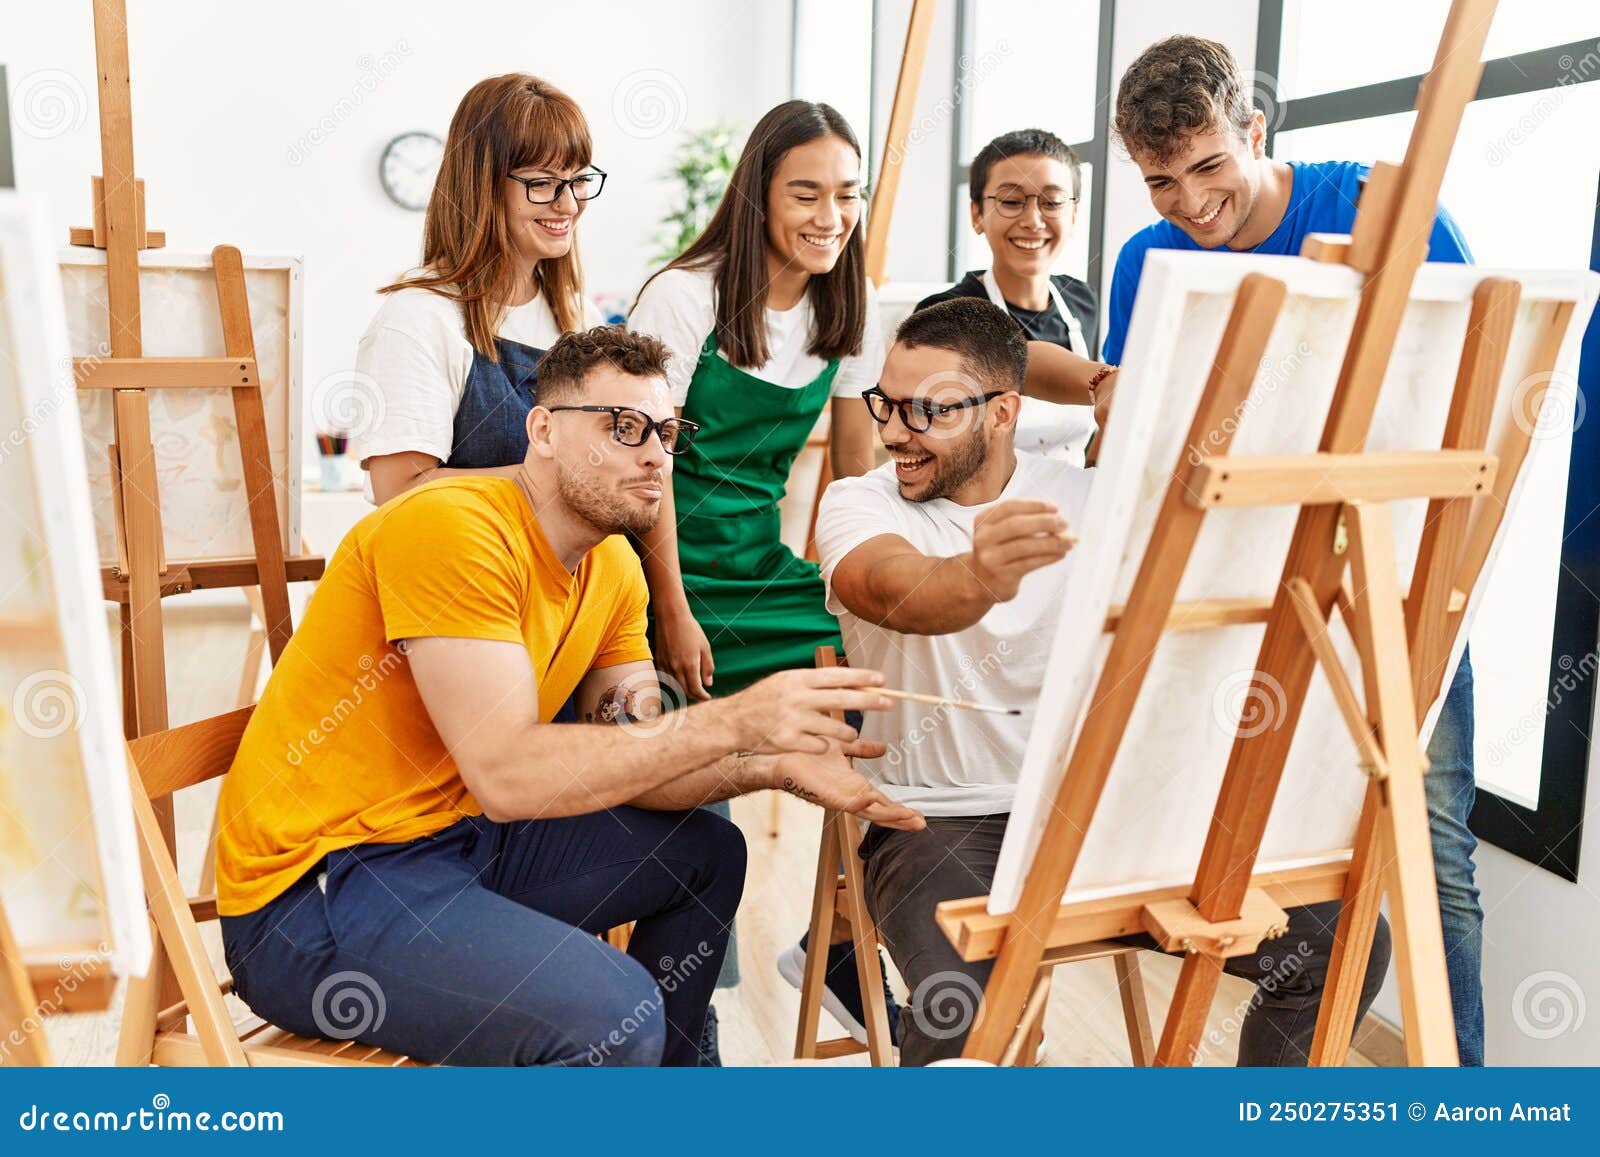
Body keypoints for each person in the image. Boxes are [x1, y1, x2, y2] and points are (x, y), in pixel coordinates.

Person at [215, 326, 922, 1068]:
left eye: (667, 432)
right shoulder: (452, 527)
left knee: (708, 851)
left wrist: (764, 763)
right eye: (625, 427)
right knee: (615, 1012)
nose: (655, 454)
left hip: (457, 841)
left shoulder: (611, 562)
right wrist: (737, 715)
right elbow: (509, 773)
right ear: (544, 429)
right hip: (320, 891)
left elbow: (642, 756)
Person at [815, 297, 1393, 1066]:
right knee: (963, 1017)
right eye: (888, 404)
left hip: (1100, 818)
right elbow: (889, 590)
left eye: (930, 410)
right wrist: (978, 575)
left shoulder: (1089, 497)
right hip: (938, 824)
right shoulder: (860, 501)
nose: (894, 431)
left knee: (1345, 938)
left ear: (1002, 412)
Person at [1095, 35, 1484, 1065]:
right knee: (1227, 846)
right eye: (1160, 182)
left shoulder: (1374, 208)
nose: (1190, 201)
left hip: (1393, 580)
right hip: (1227, 597)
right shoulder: (1148, 261)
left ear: (1255, 129)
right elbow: (1142, 445)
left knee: (1429, 854)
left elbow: (1457, 405)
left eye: (1210, 165)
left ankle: (1469, 1096)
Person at [628, 101, 895, 1043]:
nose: (831, 215)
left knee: (871, 697)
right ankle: (675, 999)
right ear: (758, 195)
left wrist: (848, 588)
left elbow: (854, 476)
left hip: (758, 563)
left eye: (848, 194)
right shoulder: (685, 294)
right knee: (675, 759)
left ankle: (834, 940)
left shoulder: (844, 304)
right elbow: (645, 464)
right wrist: (669, 606)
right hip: (654, 566)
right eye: (807, 193)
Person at [351, 73, 606, 505]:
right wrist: (562, 478)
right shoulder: (419, 319)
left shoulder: (581, 319)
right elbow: (399, 492)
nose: (568, 205)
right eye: (542, 183)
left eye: (578, 179)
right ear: (482, 186)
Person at [915, 128, 1099, 463]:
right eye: (1011, 202)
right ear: (977, 214)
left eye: (1052, 202)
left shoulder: (1081, 301)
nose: (1032, 220)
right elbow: (1014, 359)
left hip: (1069, 505)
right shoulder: (943, 312)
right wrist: (1107, 382)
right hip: (975, 510)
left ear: (1073, 215)